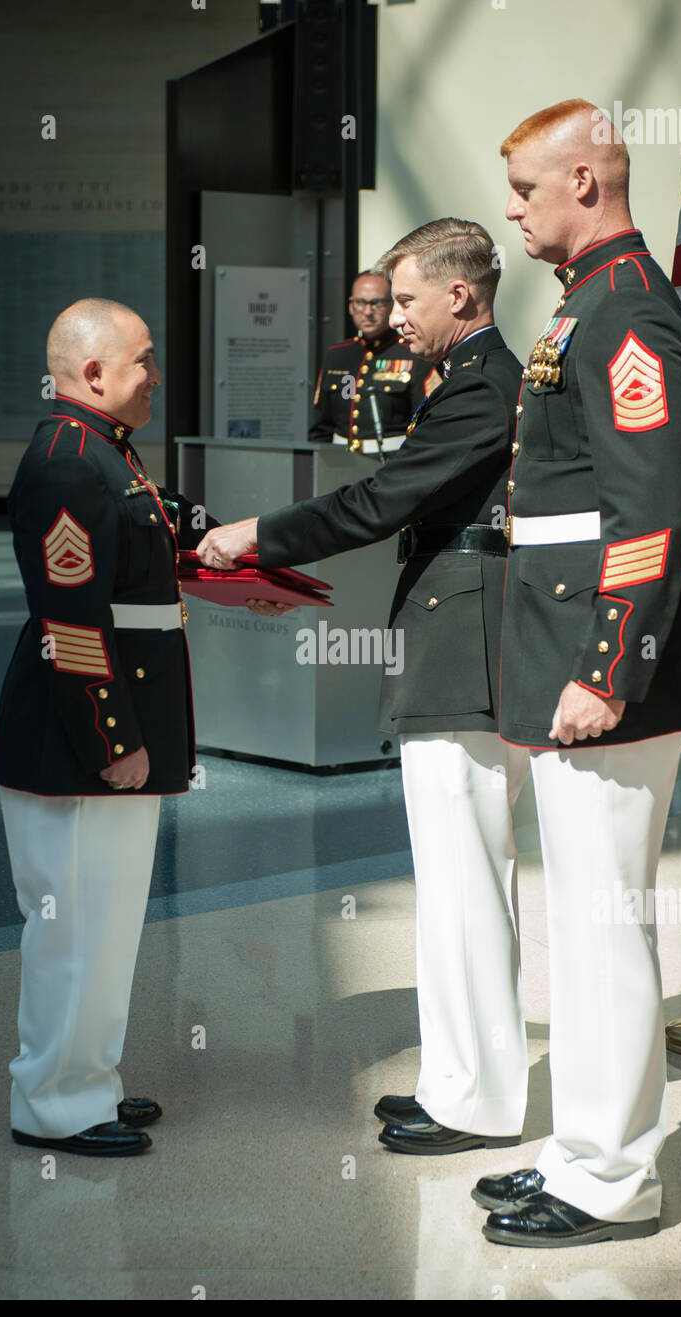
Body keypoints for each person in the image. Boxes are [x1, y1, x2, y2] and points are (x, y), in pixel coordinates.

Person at [198, 219, 532, 1155]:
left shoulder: (482, 386)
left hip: (463, 642)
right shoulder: (470, 380)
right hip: (455, 633)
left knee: (464, 876)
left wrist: (256, 535)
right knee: (460, 876)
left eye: (411, 299)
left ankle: (475, 1098)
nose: (395, 319)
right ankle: (459, 1081)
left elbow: (381, 502)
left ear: (459, 296)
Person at [473, 100, 681, 1247]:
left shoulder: (626, 311)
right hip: (569, 653)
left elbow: (652, 505)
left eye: (527, 189)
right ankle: (580, 1152)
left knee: (607, 924)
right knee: (580, 924)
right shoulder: (587, 301)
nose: (512, 210)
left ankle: (615, 1177)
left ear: (587, 178)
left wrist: (612, 668)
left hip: (606, 668)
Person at [0, 297, 287, 1158]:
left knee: (106, 925)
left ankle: (89, 1084)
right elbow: (71, 625)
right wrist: (114, 743)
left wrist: (233, 563)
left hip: (107, 738)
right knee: (71, 926)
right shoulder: (63, 464)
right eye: (144, 362)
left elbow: (159, 528)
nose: (155, 377)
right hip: (77, 744)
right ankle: (52, 1104)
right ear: (93, 374)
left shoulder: (102, 454)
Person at [309, 269, 440, 456]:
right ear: (351, 307)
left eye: (376, 303)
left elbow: (426, 427)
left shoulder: (414, 355)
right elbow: (321, 427)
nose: (368, 312)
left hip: (390, 464)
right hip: (339, 464)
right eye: (360, 303)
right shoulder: (338, 355)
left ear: (391, 306)